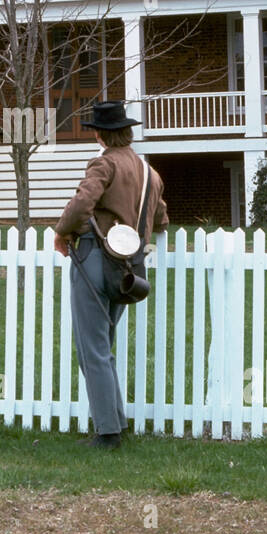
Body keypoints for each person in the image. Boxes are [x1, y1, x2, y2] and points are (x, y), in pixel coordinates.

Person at [53, 101, 167, 450]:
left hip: (93, 259)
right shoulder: (149, 172)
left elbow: (82, 204)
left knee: (92, 348)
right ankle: (115, 420)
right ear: (128, 132)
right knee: (104, 346)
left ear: (100, 134)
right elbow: (161, 217)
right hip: (128, 267)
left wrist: (61, 232)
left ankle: (107, 434)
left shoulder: (103, 163)